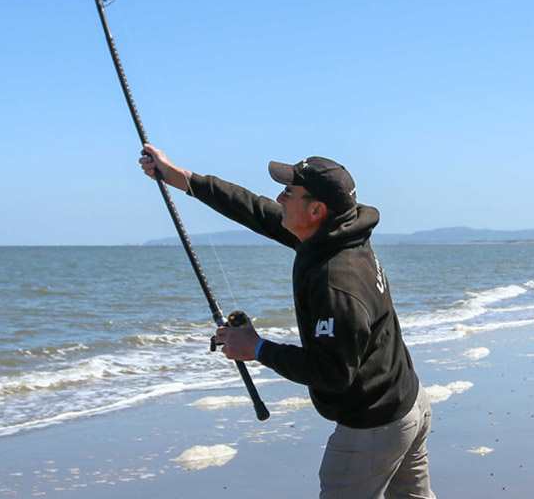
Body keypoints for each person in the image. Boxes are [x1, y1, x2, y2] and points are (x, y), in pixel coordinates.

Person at [137, 145, 434, 499]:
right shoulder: (337, 233)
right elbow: (254, 208)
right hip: (408, 401)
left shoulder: (336, 280)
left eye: (288, 192)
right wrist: (180, 177)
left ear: (315, 210)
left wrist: (257, 348)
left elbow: (333, 374)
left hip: (373, 426)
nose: (278, 198)